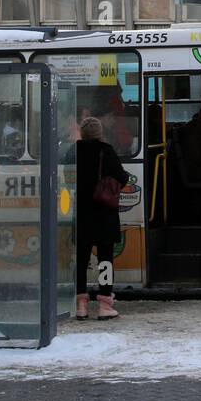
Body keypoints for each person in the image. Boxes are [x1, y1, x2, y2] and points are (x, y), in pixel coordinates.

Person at [74, 116, 125, 320]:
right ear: (99, 133)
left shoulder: (74, 151)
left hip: (82, 213)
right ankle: (104, 304)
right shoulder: (107, 151)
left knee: (81, 259)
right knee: (105, 259)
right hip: (104, 213)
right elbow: (122, 177)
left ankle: (81, 305)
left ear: (83, 133)